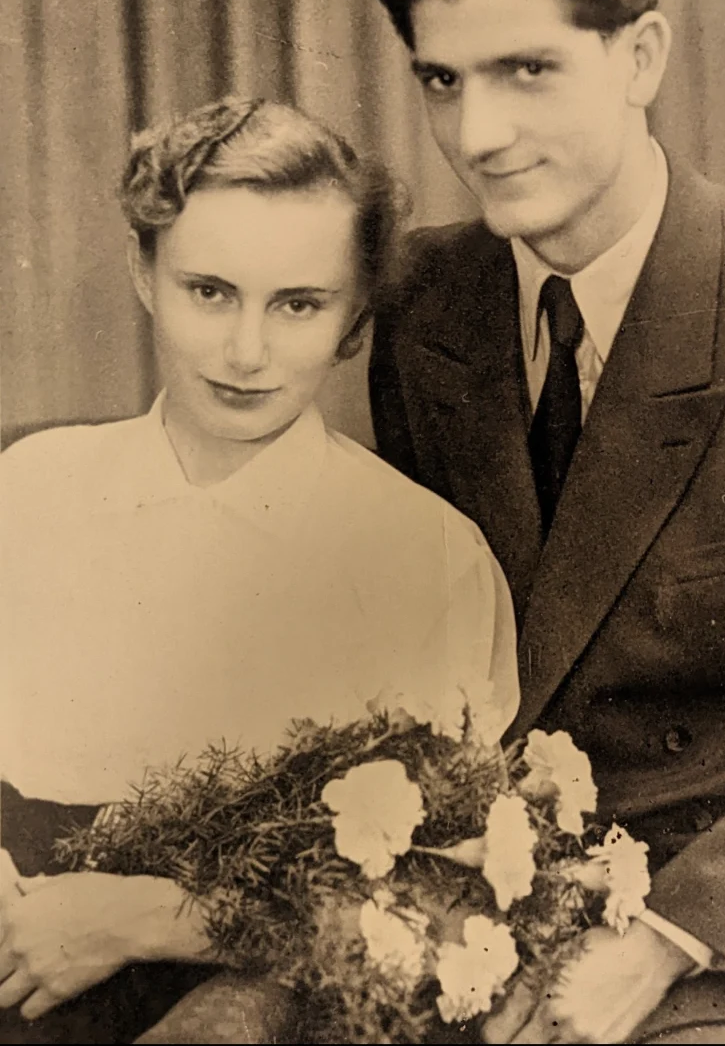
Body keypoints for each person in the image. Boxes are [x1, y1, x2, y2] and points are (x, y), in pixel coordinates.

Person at [364, 0, 725, 1043]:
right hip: (487, 908)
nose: (479, 132)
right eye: (443, 81)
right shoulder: (420, 304)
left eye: (526, 69)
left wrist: (658, 946)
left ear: (642, 55)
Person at [0, 97, 519, 1043]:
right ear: (143, 274)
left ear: (356, 318)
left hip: (269, 999)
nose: (246, 352)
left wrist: (133, 921)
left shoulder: (424, 554)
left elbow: (436, 891)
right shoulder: (29, 490)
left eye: (298, 304)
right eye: (210, 291)